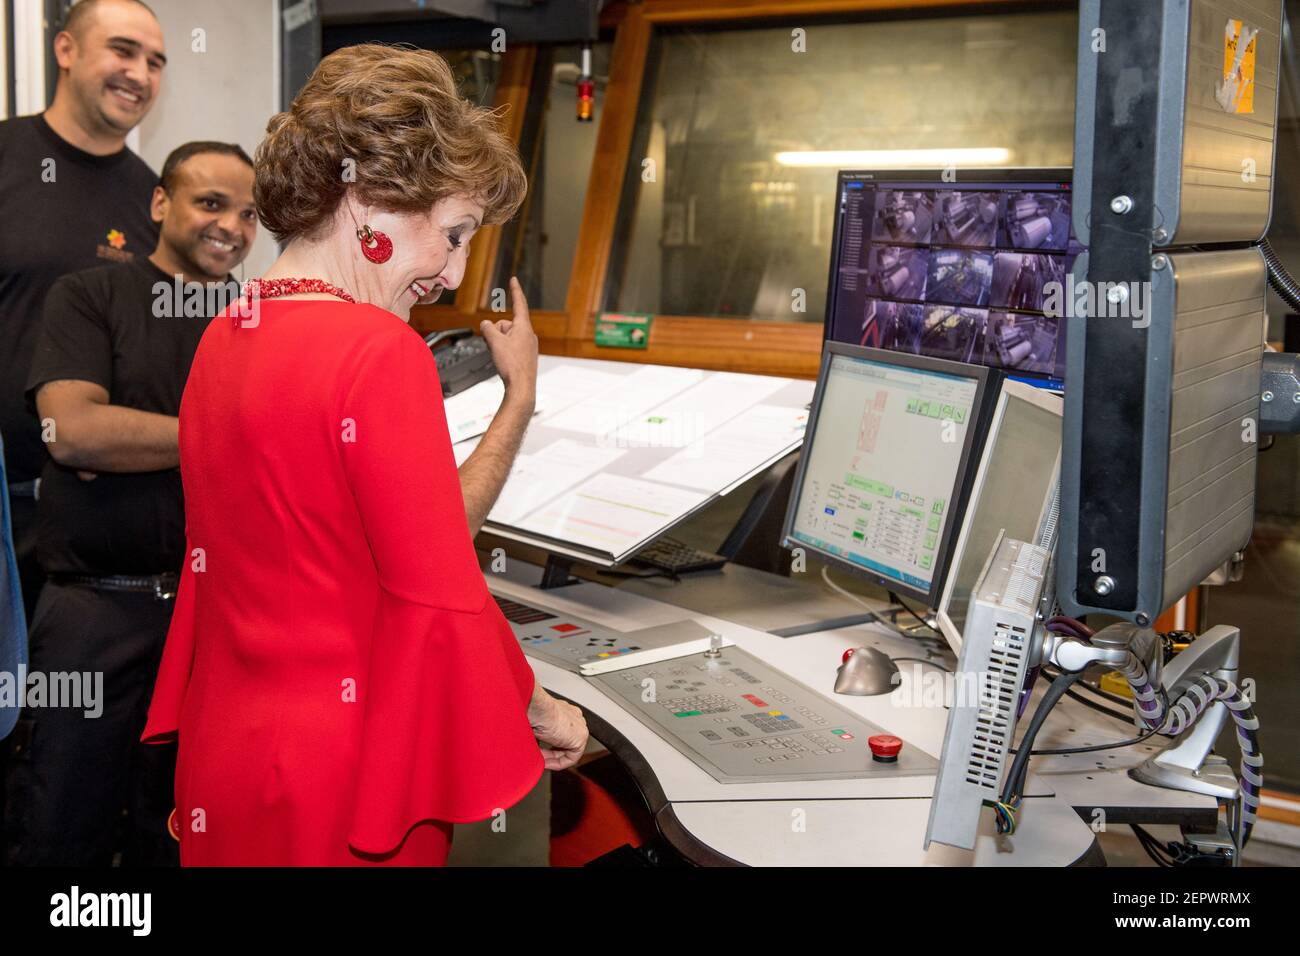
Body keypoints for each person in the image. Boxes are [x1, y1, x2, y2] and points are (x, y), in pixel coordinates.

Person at [141, 44, 589, 866]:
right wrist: (543, 706)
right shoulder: (379, 354)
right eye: (452, 234)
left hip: (229, 753)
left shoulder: (224, 335)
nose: (453, 271)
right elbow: (439, 594)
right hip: (346, 770)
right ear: (369, 202)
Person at [6, 142, 257, 866]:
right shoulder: (89, 297)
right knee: (59, 826)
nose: (232, 228)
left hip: (211, 625)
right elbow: (76, 432)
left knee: (177, 833)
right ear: (159, 204)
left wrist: (144, 439)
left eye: (247, 215)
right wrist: (223, 436)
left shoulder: (254, 323)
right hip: (95, 616)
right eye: (211, 204)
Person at [0, 0, 165, 621]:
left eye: (155, 62)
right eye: (123, 51)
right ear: (65, 50)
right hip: (3, 496)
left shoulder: (153, 201)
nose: (141, 74)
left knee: (61, 705)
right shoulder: (6, 156)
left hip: (91, 521)